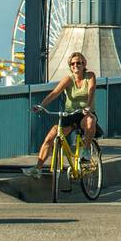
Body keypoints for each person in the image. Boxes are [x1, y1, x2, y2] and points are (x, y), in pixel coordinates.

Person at [23, 51, 99, 179]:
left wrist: (88, 106)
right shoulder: (68, 80)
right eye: (73, 63)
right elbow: (55, 93)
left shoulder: (90, 76)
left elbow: (91, 90)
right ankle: (38, 168)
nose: (76, 65)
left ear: (84, 64)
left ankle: (85, 151)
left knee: (90, 121)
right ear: (70, 66)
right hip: (69, 114)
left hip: (85, 113)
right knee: (50, 138)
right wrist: (41, 105)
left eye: (79, 63)